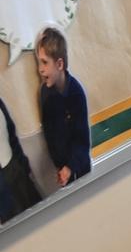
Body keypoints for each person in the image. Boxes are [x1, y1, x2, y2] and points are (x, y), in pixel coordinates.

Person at [34, 26, 90, 187]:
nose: (40, 69)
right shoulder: (45, 91)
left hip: (78, 167)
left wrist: (70, 167)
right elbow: (49, 132)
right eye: (39, 62)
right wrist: (60, 166)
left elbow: (82, 141)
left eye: (45, 62)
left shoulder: (76, 93)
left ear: (59, 64)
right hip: (62, 169)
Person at [0, 91, 41, 220]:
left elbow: (12, 134)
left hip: (16, 168)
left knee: (39, 214)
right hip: (2, 190)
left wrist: (24, 166)